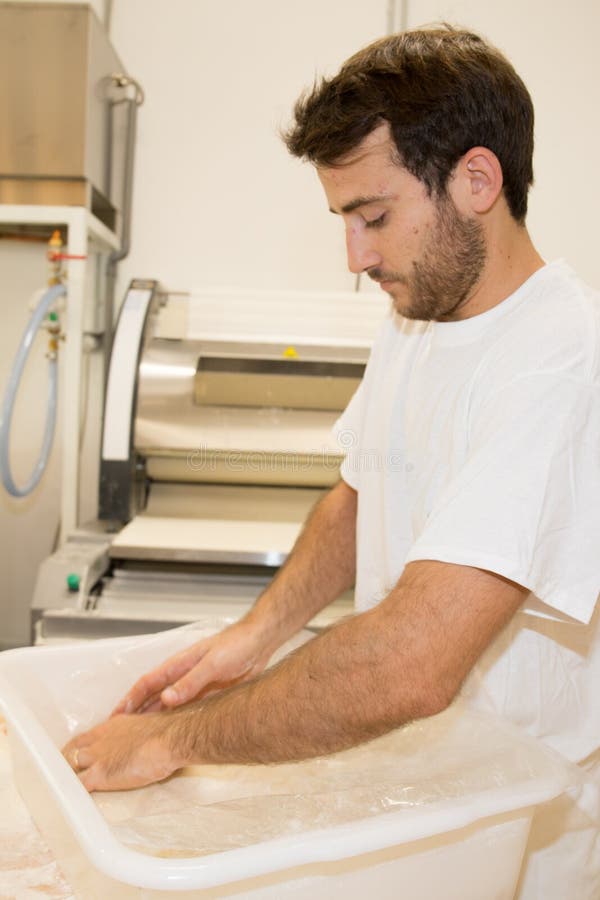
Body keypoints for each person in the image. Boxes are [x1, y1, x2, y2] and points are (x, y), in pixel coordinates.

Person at [64, 26, 600, 898]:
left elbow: (411, 663)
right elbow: (361, 490)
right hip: (416, 802)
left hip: (518, 841)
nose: (355, 257)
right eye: (343, 220)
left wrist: (171, 739)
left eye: (373, 216)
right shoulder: (417, 318)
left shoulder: (566, 361)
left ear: (476, 181)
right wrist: (256, 636)